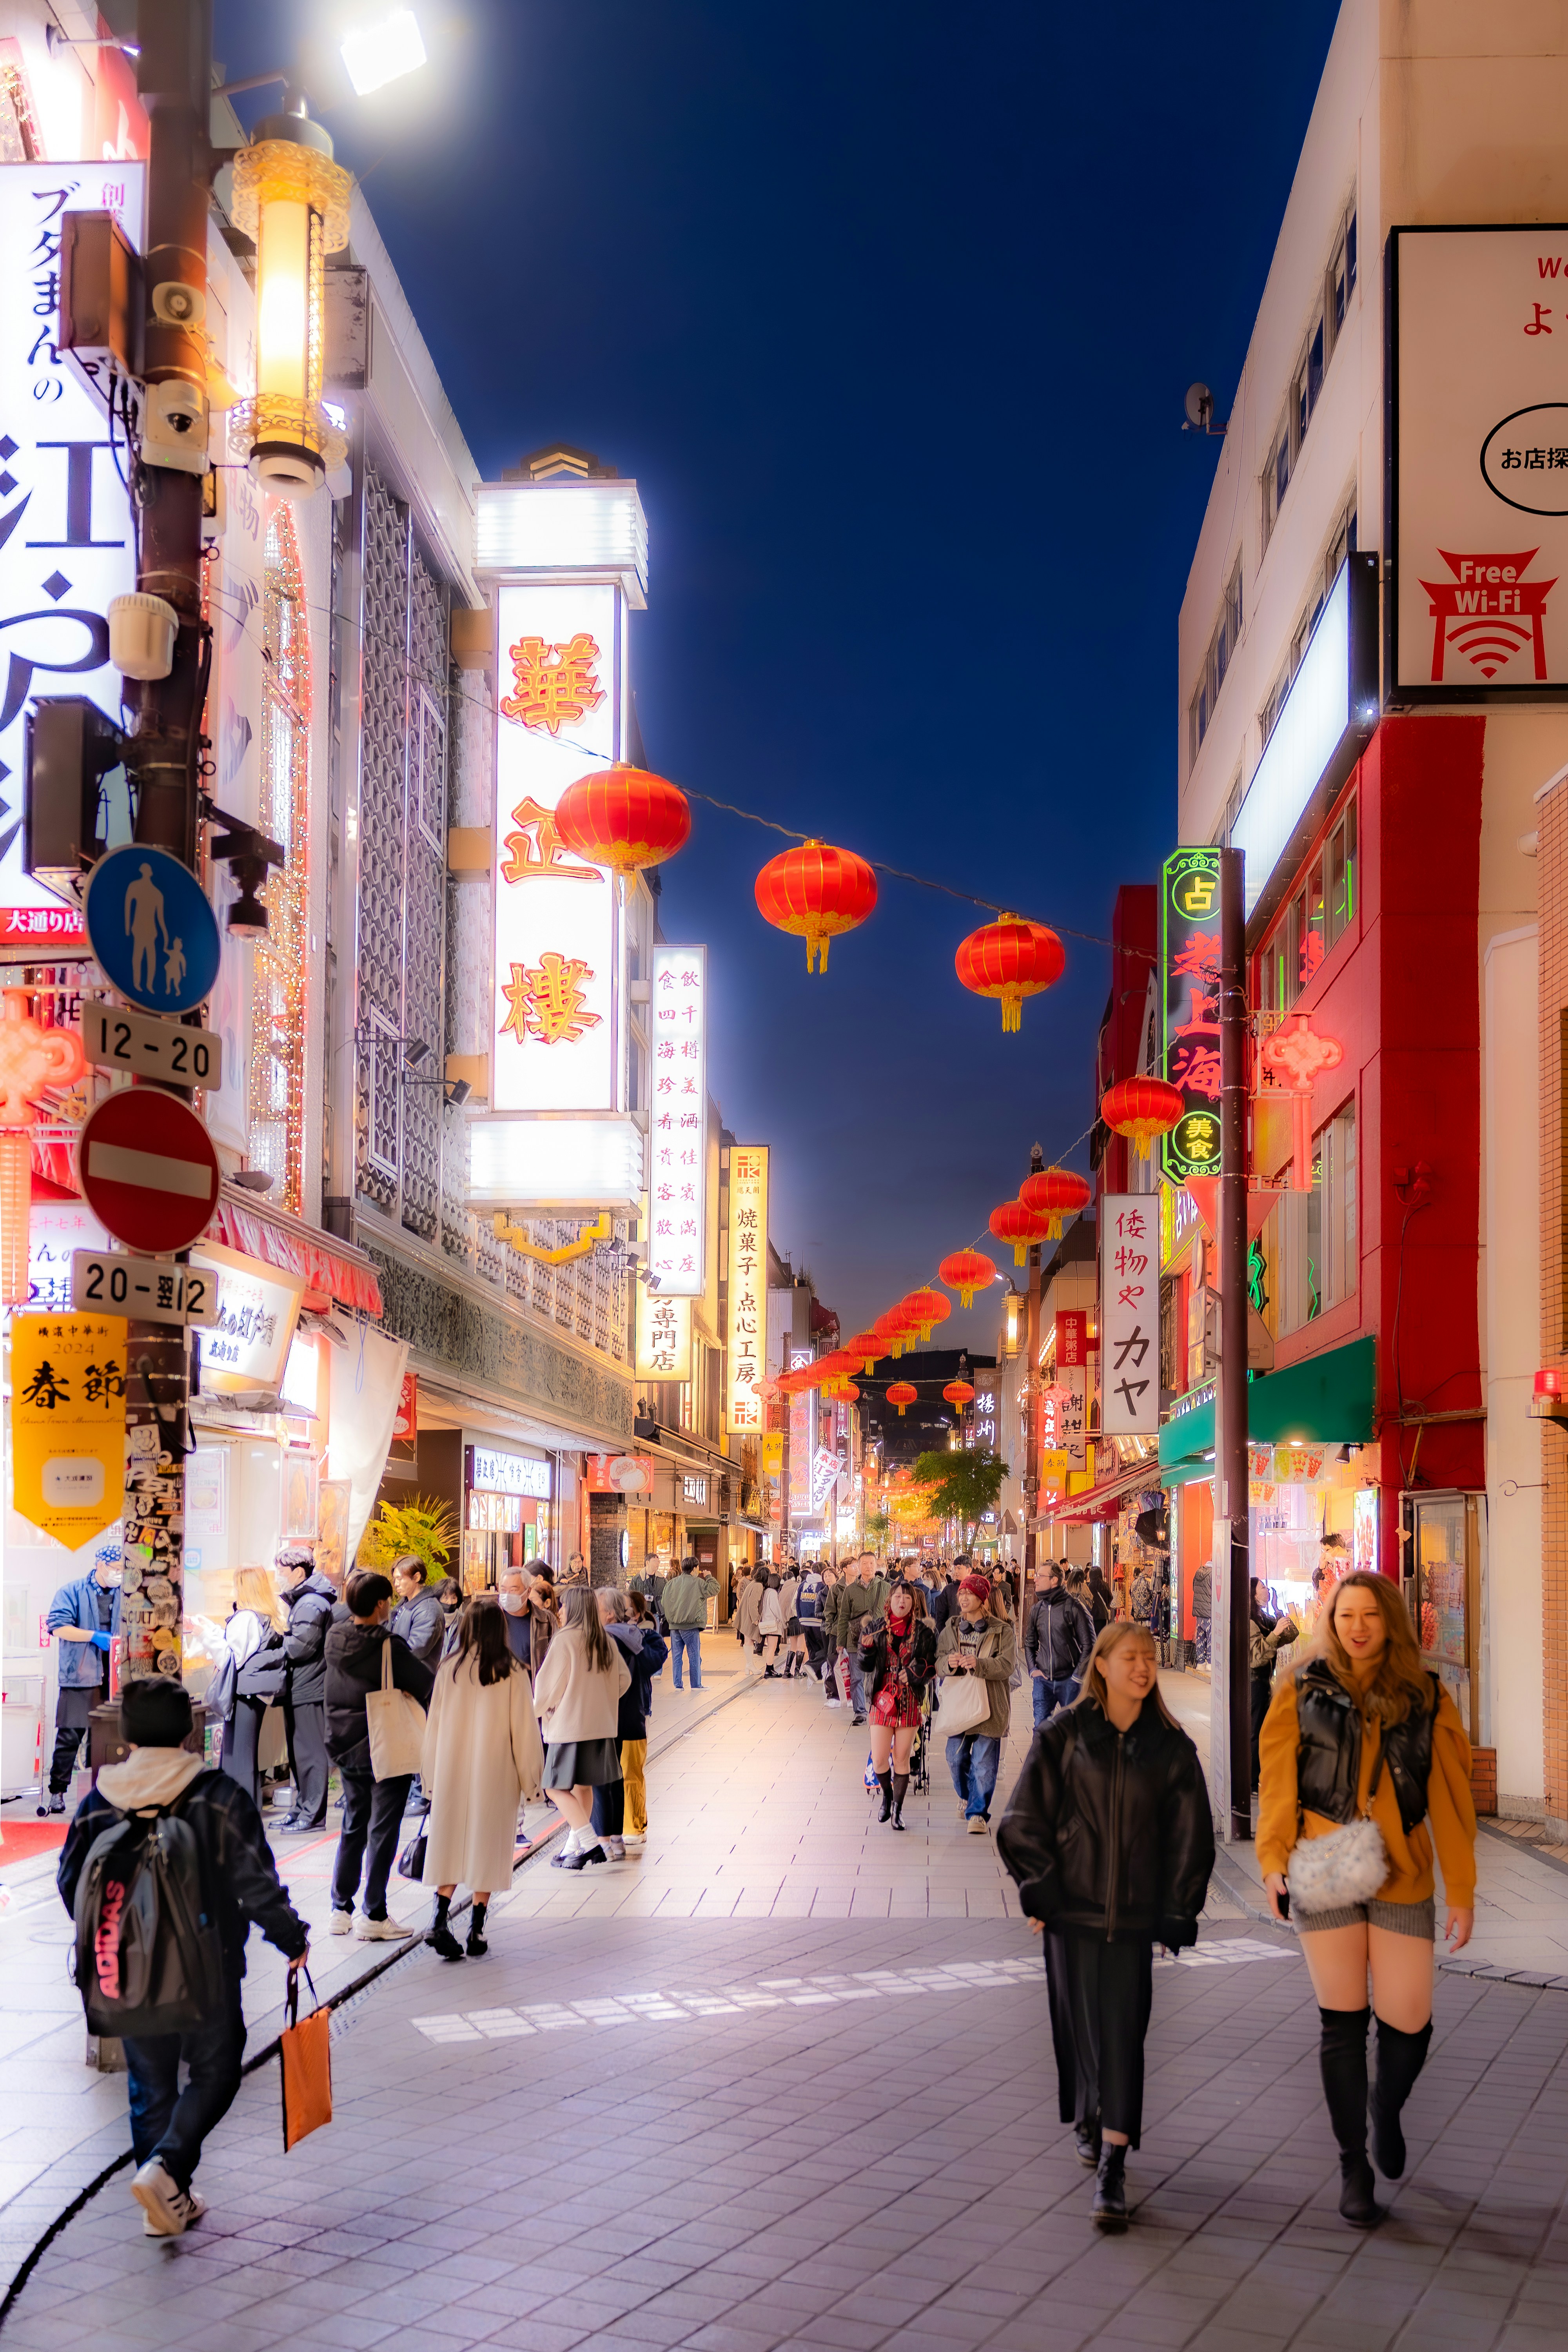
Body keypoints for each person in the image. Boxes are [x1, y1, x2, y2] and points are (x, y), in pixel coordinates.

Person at [1258, 1570, 1477, 2229]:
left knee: (1409, 2022)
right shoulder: (1299, 1685)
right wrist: (1273, 1861)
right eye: (1346, 1615)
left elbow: (1449, 1797)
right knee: (1343, 2023)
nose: (1357, 1627)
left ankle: (1387, 2104)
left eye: (1371, 1616)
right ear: (1332, 1621)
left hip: (1403, 1871)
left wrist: (1461, 1889)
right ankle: (1353, 2166)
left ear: (1391, 1622)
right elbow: (1278, 1782)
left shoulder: (1426, 1694)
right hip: (1324, 1864)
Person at [57, 1676, 309, 2239]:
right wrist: (292, 1938)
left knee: (150, 2085)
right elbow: (255, 1882)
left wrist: (118, 1934)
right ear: (190, 1732)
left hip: (124, 1968)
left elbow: (72, 1883)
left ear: (126, 1735)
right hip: (207, 1964)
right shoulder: (217, 1795)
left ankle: (164, 2205)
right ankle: (168, 2170)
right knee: (218, 2069)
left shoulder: (99, 1801)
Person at [997, 1621, 1215, 2231]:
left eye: (1149, 1658)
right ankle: (1090, 2114)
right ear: (1101, 1665)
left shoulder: (1171, 1747)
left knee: (1122, 2038)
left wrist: (1178, 1911)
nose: (1143, 1668)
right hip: (1072, 1912)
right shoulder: (1064, 1734)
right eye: (1130, 1658)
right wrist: (1041, 1892)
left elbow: (1191, 1838)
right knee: (1080, 2031)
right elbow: (1021, 1822)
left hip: (1134, 1919)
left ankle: (1113, 2168)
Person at [421, 1594, 545, 1960]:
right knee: (488, 1846)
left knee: (449, 1843)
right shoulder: (513, 1671)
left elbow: (434, 1726)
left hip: (452, 1769)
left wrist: (430, 1776)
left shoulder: (449, 1669)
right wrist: (532, 1783)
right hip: (496, 1771)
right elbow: (524, 1731)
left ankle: (439, 1919)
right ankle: (476, 1929)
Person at [323, 1571, 435, 1938]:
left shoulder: (335, 1638)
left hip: (344, 1744)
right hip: (384, 1745)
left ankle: (340, 1909)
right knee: (383, 1830)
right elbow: (426, 1684)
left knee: (354, 1824)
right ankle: (373, 1914)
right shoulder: (388, 1646)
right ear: (380, 1605)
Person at [533, 1587, 631, 1869]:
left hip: (570, 1728)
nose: (560, 1611)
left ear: (574, 1608)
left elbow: (548, 1687)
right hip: (600, 1727)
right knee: (583, 1787)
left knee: (553, 1787)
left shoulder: (565, 1640)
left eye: (564, 1606)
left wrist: (538, 1711)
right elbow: (624, 1680)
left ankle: (589, 1844)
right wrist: (602, 1702)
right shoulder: (604, 1639)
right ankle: (573, 1849)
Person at [40, 1546, 122, 1815]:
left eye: (123, 1570)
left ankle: (105, 1792)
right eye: (116, 1569)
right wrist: (93, 1636)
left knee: (108, 1737)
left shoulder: (126, 1594)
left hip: (115, 1677)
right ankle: (57, 1792)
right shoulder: (71, 1591)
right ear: (101, 1565)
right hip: (80, 1674)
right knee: (70, 1735)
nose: (119, 1575)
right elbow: (58, 1627)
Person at [935, 1573, 1016, 1831]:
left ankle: (978, 1814)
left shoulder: (1002, 1630)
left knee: (983, 1763)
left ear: (983, 1599)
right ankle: (967, 1796)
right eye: (961, 1593)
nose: (964, 1598)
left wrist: (980, 1664)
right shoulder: (951, 1628)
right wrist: (948, 1663)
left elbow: (1007, 1665)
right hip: (960, 1705)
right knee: (954, 1757)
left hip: (990, 1705)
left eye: (970, 1594)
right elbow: (938, 1661)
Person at [591, 1588, 668, 1855]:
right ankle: (615, 1834)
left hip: (626, 1716)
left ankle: (632, 1828)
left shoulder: (638, 1639)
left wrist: (637, 1635)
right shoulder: (603, 1639)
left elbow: (650, 1663)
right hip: (620, 1717)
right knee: (613, 1778)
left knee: (626, 1775)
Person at [858, 1583, 936, 1829]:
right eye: (898, 1597)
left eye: (907, 1598)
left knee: (902, 1758)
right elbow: (864, 1666)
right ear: (889, 1600)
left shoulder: (924, 1632)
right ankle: (887, 1797)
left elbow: (932, 1666)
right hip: (882, 1698)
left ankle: (898, 1810)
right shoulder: (875, 1628)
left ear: (913, 1603)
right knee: (880, 1759)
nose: (902, 1601)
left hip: (910, 1698)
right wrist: (866, 1649)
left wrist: (914, 1673)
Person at [276, 1546, 336, 1830]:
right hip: (301, 1685)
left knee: (310, 1753)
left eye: (281, 1571)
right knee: (299, 1753)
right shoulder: (304, 1600)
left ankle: (312, 1814)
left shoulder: (311, 1603)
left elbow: (300, 1647)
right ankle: (302, 1808)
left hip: (309, 1686)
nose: (278, 1576)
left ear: (299, 1573)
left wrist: (275, 1638)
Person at [217, 1567, 287, 1804]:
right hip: (256, 1693)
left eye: (236, 1585)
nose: (233, 1590)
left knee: (238, 1757)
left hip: (244, 1692)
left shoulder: (247, 1617)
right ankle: (247, 1812)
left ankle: (240, 1813)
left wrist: (206, 1635)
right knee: (245, 1757)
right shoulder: (268, 1616)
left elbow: (231, 1659)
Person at [1024, 1561, 1096, 1732]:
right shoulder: (1037, 1609)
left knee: (1073, 1731)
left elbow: (1090, 1645)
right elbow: (1029, 1643)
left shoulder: (1074, 1607)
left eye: (1040, 1576)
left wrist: (1077, 1677)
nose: (1035, 1579)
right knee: (1040, 1730)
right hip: (1043, 1681)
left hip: (1069, 1681)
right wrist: (1033, 1670)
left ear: (1054, 1580)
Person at [830, 1553, 890, 1725]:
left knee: (879, 1676)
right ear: (859, 1566)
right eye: (865, 1563)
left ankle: (879, 1708)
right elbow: (843, 1617)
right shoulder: (850, 1590)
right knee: (857, 1677)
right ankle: (860, 1712)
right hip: (856, 1640)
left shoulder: (886, 1587)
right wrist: (841, 1642)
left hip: (880, 1640)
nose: (869, 1566)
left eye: (872, 1563)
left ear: (876, 1565)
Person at [1249, 1577, 1297, 1788]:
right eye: (1262, 1587)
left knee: (1265, 1730)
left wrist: (1278, 1611)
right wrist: (1275, 1633)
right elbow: (1257, 1657)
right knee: (1256, 1733)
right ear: (1253, 1594)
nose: (1267, 1590)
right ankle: (1251, 1781)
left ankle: (1261, 1775)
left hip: (1265, 1682)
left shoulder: (1263, 1617)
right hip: (1254, 1684)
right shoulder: (1250, 1622)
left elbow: (1292, 1635)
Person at [662, 1555, 716, 1690]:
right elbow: (715, 1589)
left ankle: (678, 1684)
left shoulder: (671, 1583)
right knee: (694, 1656)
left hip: (674, 1626)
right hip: (691, 1626)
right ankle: (696, 1684)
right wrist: (709, 1576)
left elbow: (663, 1602)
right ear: (695, 1568)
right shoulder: (698, 1582)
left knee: (676, 1657)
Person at [390, 1557, 446, 1672]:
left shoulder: (428, 1609)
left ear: (416, 1577)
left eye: (400, 1579)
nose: (396, 1584)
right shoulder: (405, 1603)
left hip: (416, 1678)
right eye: (395, 1579)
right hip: (402, 1675)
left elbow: (414, 1650)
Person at [734, 1563, 766, 1666]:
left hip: (746, 1613)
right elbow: (753, 1602)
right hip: (750, 1615)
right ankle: (750, 1665)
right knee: (750, 1640)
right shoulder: (759, 1585)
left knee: (748, 1640)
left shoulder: (753, 1583)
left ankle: (749, 1665)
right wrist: (755, 1617)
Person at [757, 1569, 786, 1674]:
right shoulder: (773, 1593)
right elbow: (777, 1610)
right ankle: (769, 1670)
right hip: (773, 1624)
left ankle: (770, 1669)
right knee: (772, 1649)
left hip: (766, 1622)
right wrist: (783, 1623)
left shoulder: (766, 1592)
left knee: (771, 1648)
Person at [432, 1576, 464, 1653]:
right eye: (446, 1598)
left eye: (454, 1598)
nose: (450, 1603)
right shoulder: (429, 1621)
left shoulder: (465, 1622)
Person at [1190, 1557, 1212, 1666]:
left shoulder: (1198, 1572)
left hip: (1199, 1612)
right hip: (1209, 1611)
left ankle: (1201, 1663)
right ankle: (1210, 1663)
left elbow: (1194, 1588)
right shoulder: (1214, 1575)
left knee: (1200, 1636)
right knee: (1211, 1637)